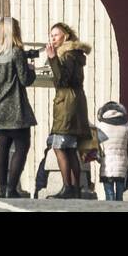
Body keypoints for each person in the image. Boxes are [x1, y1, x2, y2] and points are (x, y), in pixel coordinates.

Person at [0, 17, 36, 198]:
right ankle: (11, 189)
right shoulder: (16, 52)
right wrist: (31, 69)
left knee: (3, 145)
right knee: (22, 145)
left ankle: (0, 188)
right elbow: (24, 79)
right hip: (14, 106)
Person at [44, 22, 91, 199]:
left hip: (67, 103)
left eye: (56, 35)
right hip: (74, 101)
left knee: (59, 146)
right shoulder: (75, 54)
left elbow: (63, 79)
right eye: (51, 36)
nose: (53, 39)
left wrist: (52, 58)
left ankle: (68, 187)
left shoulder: (67, 54)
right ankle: (75, 188)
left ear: (66, 36)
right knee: (70, 148)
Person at [95, 101, 128, 201]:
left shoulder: (100, 126)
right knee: (120, 195)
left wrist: (99, 158)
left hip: (106, 163)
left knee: (109, 195)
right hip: (122, 164)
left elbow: (95, 146)